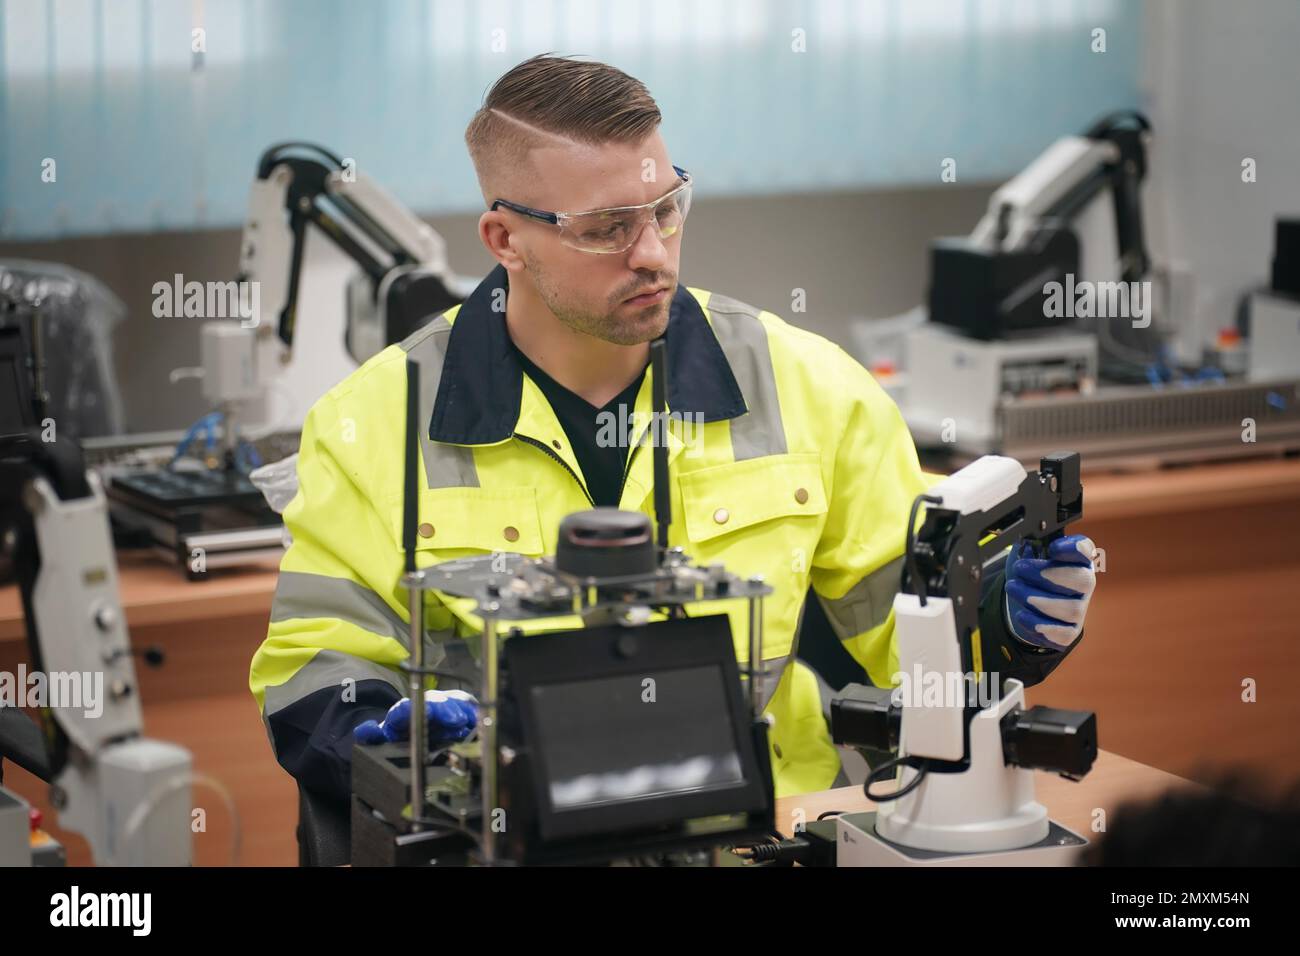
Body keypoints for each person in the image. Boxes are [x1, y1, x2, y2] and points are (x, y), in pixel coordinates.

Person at [249, 54, 1097, 808]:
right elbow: (313, 666)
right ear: (505, 239)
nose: (652, 252)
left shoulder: (811, 388)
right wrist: (385, 733)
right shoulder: (374, 422)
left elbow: (910, 641)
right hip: (504, 833)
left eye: (667, 208)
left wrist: (1006, 615)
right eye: (608, 228)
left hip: (762, 827)